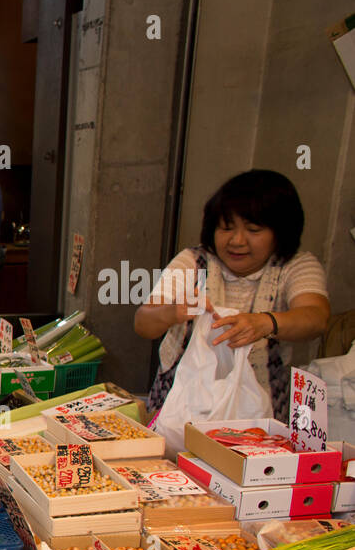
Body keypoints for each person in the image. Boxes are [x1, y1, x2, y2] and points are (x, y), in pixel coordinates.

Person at [136, 169, 330, 421]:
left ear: (280, 231)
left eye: (253, 230)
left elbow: (316, 318)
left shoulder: (294, 266)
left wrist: (265, 322)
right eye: (226, 228)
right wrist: (172, 311)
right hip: (179, 407)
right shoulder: (194, 262)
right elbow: (143, 323)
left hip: (259, 412)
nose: (237, 241)